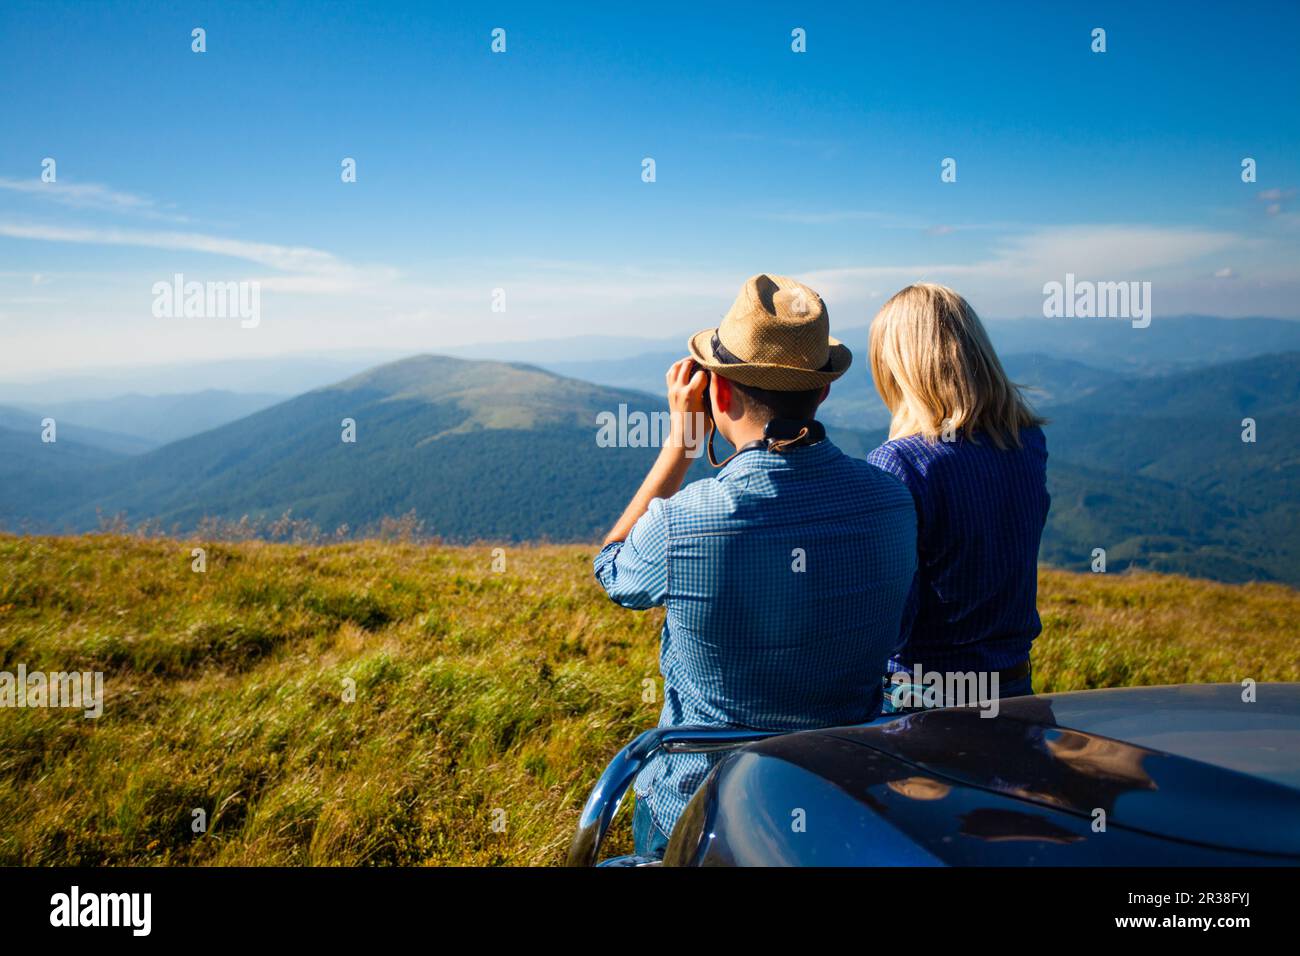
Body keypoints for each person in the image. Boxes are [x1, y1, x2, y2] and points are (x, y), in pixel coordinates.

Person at [593, 273, 917, 859]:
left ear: (719, 395)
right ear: (822, 393)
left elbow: (613, 571)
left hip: (699, 807)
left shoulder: (682, 522)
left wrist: (680, 446)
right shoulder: (892, 502)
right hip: (839, 794)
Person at [866, 283, 1050, 706]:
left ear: (898, 368)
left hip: (922, 698)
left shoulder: (901, 462)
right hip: (1013, 687)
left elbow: (893, 623)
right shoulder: (1027, 444)